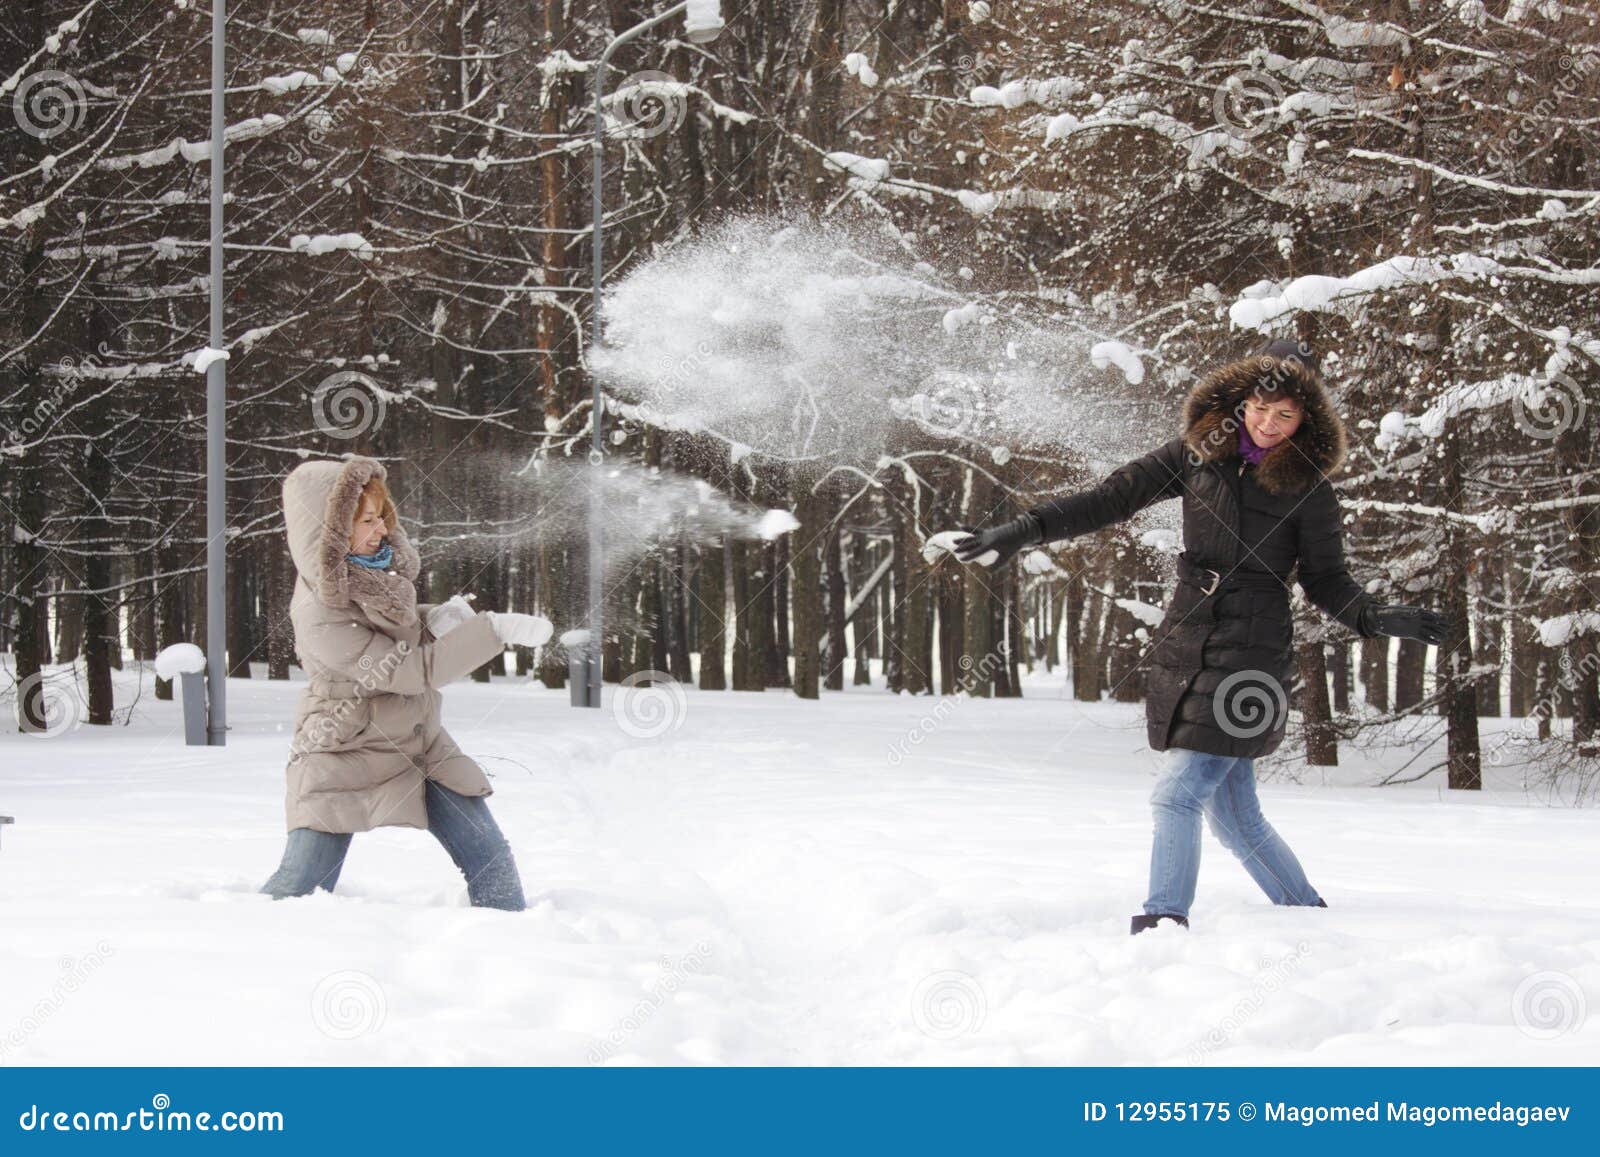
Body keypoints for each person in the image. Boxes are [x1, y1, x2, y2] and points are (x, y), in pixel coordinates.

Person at [953, 340, 1445, 934]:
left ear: (1305, 418)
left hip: (1253, 653)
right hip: (1189, 635)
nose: (1269, 423)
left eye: (1286, 414)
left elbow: (1326, 581)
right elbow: (1112, 498)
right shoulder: (1196, 455)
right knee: (1235, 816)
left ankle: (1163, 921)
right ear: (1240, 402)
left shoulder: (1309, 489)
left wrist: (1374, 617)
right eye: (1261, 409)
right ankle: (1305, 914)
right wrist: (1024, 530)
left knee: (1176, 795)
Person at [259, 455, 551, 910]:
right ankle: (240, 943)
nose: (381, 529)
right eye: (366, 520)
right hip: (345, 749)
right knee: (303, 881)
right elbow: (408, 671)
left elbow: (393, 635)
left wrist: (434, 619)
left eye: (381, 516)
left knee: (489, 856)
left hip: (419, 744)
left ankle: (511, 950)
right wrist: (494, 631)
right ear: (330, 531)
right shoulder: (317, 612)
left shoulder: (372, 576)